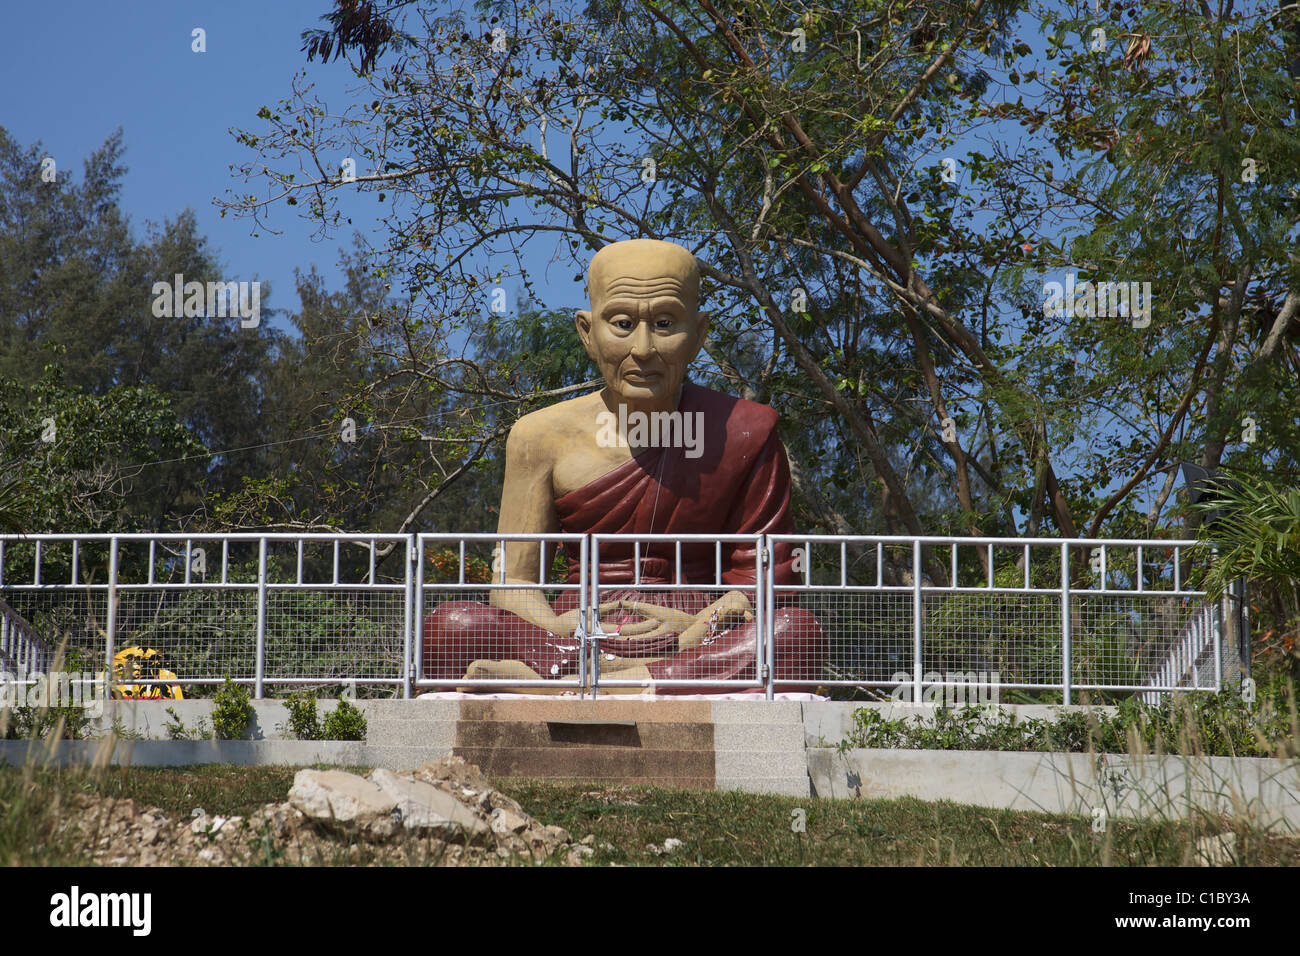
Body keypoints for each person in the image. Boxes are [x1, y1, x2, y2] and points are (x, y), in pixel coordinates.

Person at [422, 238, 825, 691]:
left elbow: (765, 590)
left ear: (699, 334)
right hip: (574, 633)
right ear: (587, 332)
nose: (643, 348)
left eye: (665, 323)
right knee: (451, 624)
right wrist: (560, 627)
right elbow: (513, 582)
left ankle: (573, 682)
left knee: (794, 633)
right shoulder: (540, 437)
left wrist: (695, 622)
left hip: (694, 636)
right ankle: (604, 673)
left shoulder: (745, 432)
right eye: (622, 323)